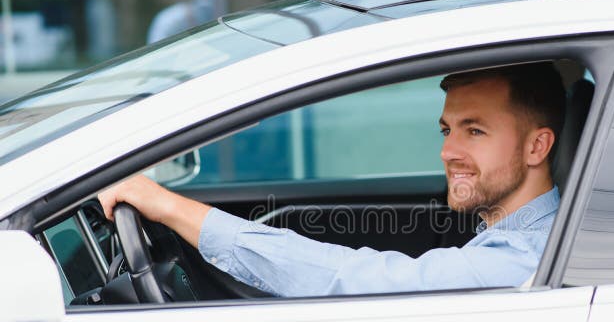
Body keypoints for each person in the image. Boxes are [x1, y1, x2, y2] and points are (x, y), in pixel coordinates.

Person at [98, 62, 566, 296]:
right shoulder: (521, 237)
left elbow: (353, 279)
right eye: (447, 130)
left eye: (475, 131)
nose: (448, 152)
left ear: (536, 147)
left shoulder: (524, 262)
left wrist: (172, 208)